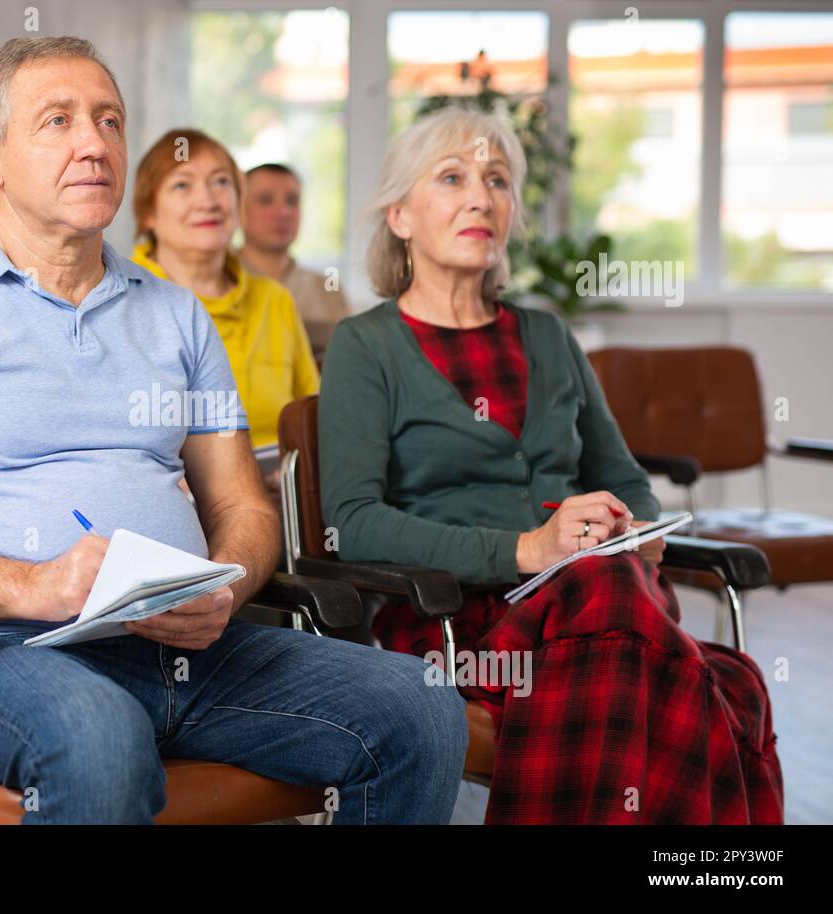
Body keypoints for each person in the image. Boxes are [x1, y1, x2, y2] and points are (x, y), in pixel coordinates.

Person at [0, 37, 467, 824]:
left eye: (109, 121)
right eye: (57, 121)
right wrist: (33, 585)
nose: (94, 143)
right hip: (4, 659)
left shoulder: (174, 315)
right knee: (100, 736)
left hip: (193, 652)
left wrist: (228, 583)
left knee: (422, 708)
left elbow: (246, 508)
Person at [318, 106, 783, 824]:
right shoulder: (366, 346)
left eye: (497, 180)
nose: (481, 196)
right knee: (724, 682)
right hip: (461, 623)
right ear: (400, 216)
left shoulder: (547, 335)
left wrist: (640, 526)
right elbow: (353, 526)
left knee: (609, 589)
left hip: (601, 611)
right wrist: (528, 550)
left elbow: (623, 477)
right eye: (453, 177)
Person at [130, 130, 319, 450]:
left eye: (221, 182)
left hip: (278, 490)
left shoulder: (274, 300)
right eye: (182, 185)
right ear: (149, 213)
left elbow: (314, 418)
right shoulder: (121, 300)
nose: (207, 201)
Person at [239, 163, 350, 354]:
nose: (283, 212)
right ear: (238, 209)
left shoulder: (328, 288)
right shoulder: (215, 280)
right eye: (265, 200)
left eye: (292, 201)